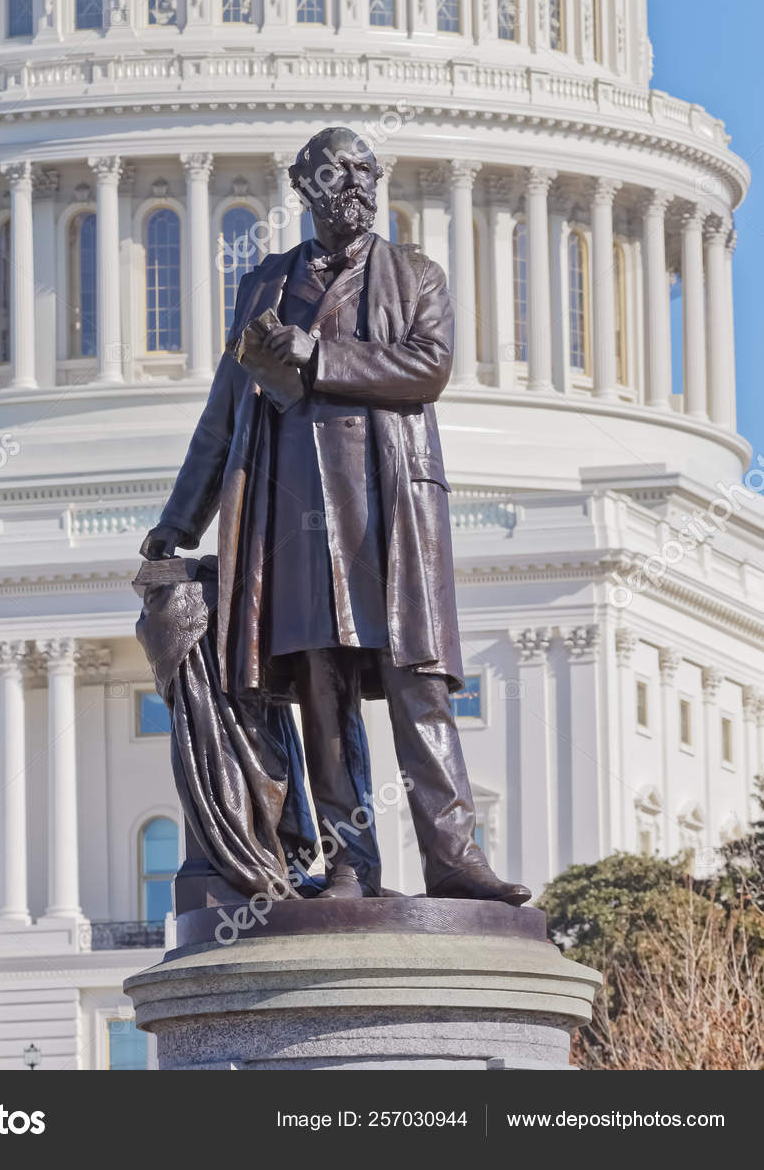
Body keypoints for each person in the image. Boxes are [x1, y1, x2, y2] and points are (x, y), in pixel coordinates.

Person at [142, 126, 529, 905]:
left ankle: (455, 860)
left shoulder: (414, 275)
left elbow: (426, 368)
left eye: (363, 171)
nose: (353, 183)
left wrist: (312, 354)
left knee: (419, 687)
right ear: (303, 186)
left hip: (389, 511)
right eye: (335, 171)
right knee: (323, 694)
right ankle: (352, 864)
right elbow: (223, 414)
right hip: (292, 519)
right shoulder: (264, 285)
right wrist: (179, 521)